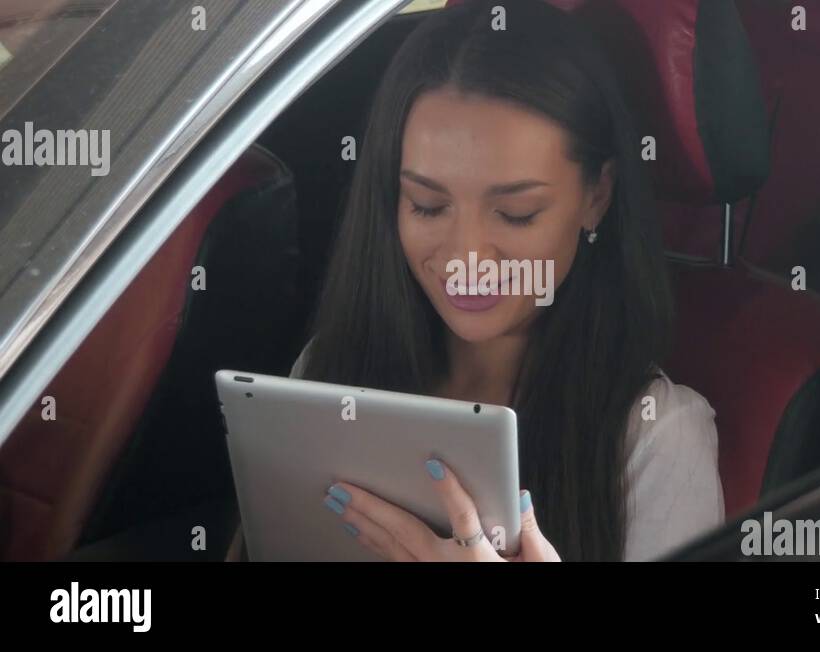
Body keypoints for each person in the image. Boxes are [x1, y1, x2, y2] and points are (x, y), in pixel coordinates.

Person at [232, 0, 725, 562]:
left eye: (516, 214)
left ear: (597, 197)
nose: (468, 257)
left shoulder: (655, 438)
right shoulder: (327, 374)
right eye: (426, 205)